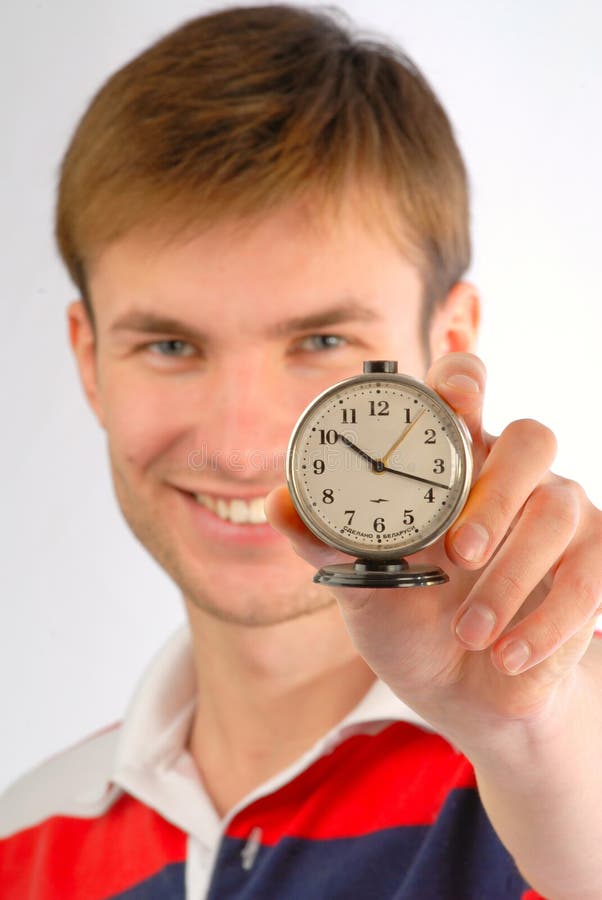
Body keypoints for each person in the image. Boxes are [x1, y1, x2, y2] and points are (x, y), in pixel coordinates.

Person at [1, 4, 600, 898]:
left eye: (321, 342)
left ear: (449, 342)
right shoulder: (23, 844)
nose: (246, 447)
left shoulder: (559, 757)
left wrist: (530, 733)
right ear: (89, 361)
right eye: (170, 346)